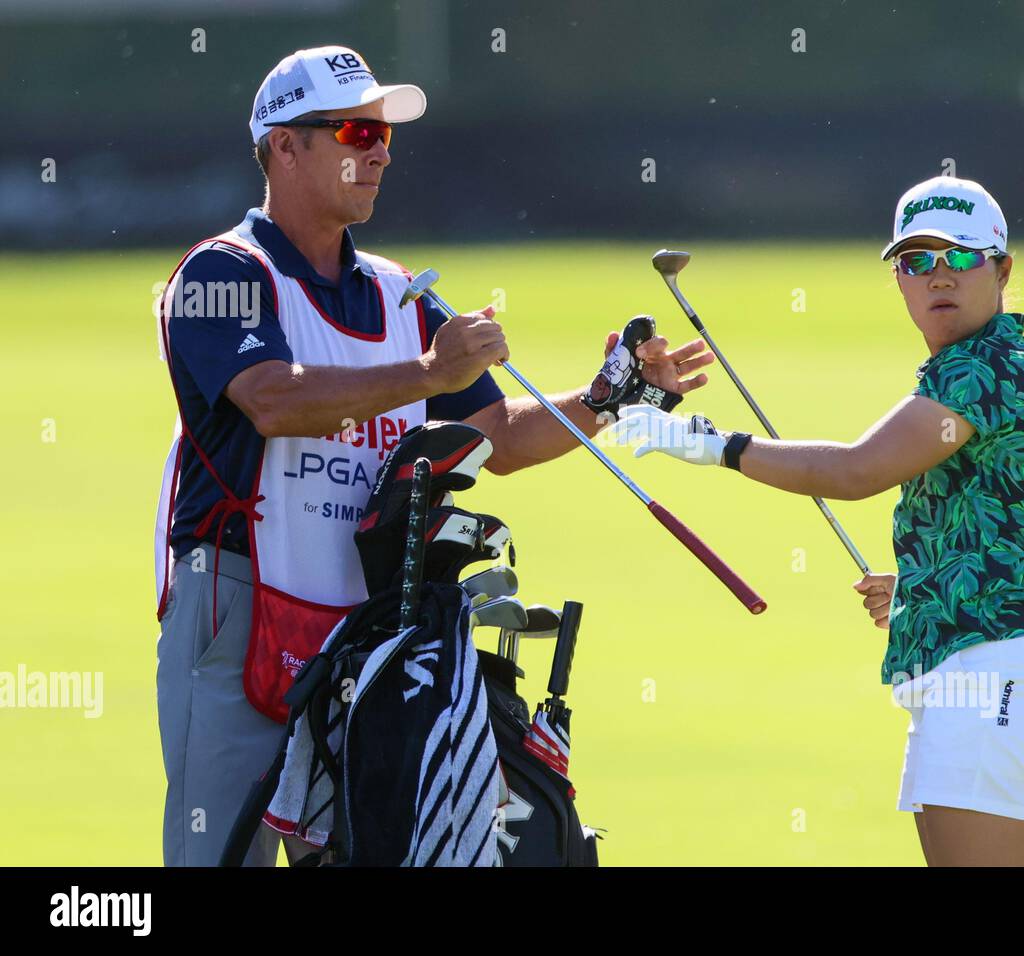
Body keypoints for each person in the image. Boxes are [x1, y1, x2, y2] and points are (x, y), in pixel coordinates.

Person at [153, 45, 713, 867]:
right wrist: (429, 370)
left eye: (383, 133)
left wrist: (607, 400)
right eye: (352, 130)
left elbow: (504, 437)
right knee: (221, 853)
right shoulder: (221, 273)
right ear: (284, 145)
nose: (377, 150)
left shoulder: (396, 290)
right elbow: (271, 399)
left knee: (367, 849)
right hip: (238, 604)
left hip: (372, 622)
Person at [608, 176, 1024, 866]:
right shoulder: (1005, 366)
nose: (937, 277)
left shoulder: (977, 373)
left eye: (960, 258)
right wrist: (934, 585)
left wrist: (713, 445)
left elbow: (856, 472)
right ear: (898, 279)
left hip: (991, 679)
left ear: (1002, 268)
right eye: (916, 261)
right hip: (989, 673)